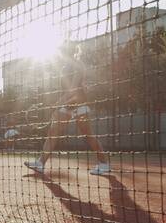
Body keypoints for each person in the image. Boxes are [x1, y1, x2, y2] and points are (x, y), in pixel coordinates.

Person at [24, 45, 110, 176]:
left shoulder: (78, 66)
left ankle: (104, 164)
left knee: (88, 135)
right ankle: (40, 163)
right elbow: (66, 91)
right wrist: (57, 105)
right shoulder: (64, 68)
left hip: (80, 103)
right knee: (53, 132)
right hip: (68, 105)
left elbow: (73, 90)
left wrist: (57, 104)